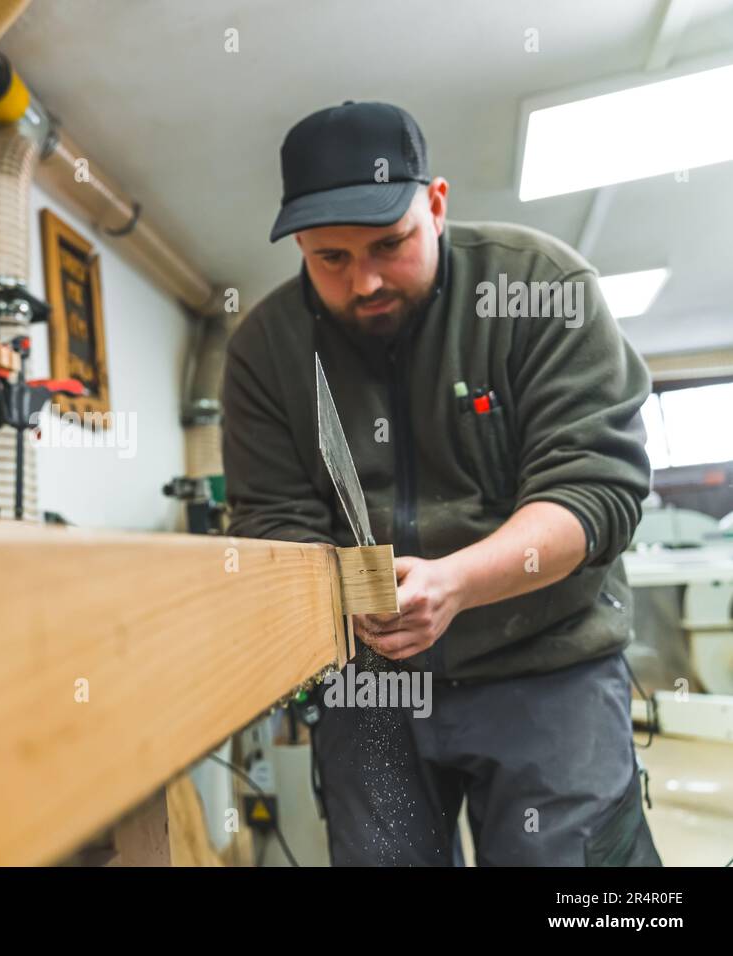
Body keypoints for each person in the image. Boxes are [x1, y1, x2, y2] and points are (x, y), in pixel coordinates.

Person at [221, 100, 660, 866]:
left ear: (437, 202)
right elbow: (275, 525)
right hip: (372, 689)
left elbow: (595, 492)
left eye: (390, 245)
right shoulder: (265, 349)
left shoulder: (539, 288)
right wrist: (342, 609)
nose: (365, 282)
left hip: (546, 661)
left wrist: (456, 582)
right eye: (330, 258)